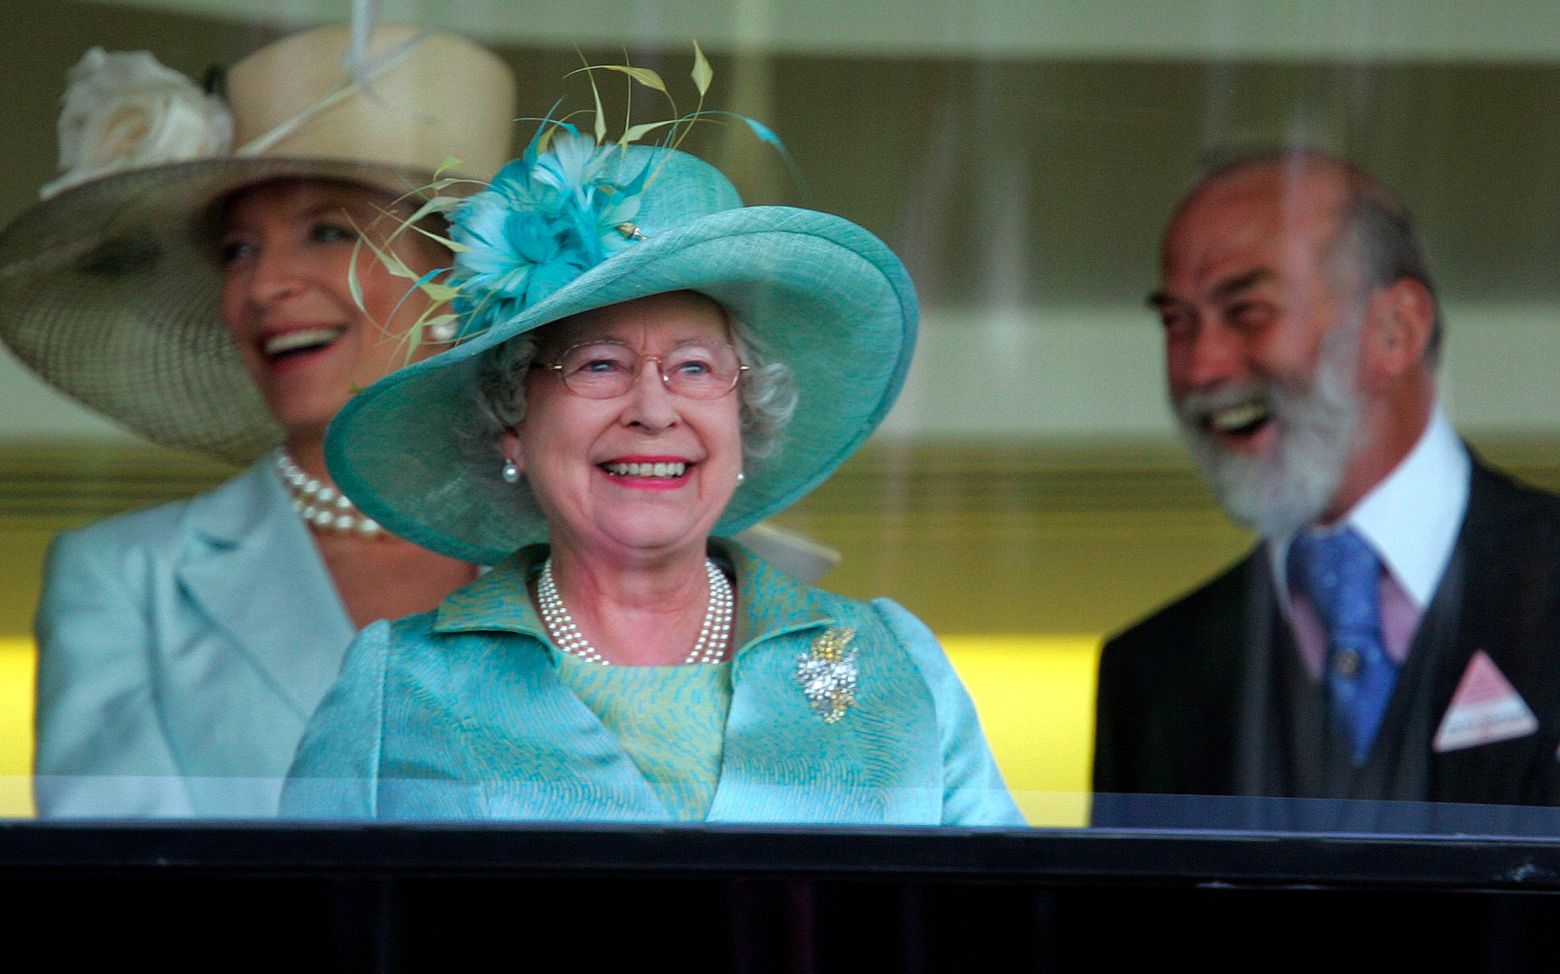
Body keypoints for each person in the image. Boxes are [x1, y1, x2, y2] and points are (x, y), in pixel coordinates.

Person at [280, 103, 1022, 825]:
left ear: (745, 418)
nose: (654, 409)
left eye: (695, 367)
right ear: (511, 422)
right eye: (598, 365)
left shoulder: (895, 661)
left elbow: (1007, 903)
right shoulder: (399, 685)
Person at [0, 24, 518, 816]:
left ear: (454, 275)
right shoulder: (129, 579)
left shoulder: (587, 555)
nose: (266, 284)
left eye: (327, 231)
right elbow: (119, 871)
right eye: (238, 250)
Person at [1091, 148, 1560, 823]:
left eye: (1247, 311)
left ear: (1396, 329)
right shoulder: (1153, 675)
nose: (1200, 368)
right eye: (1176, 323)